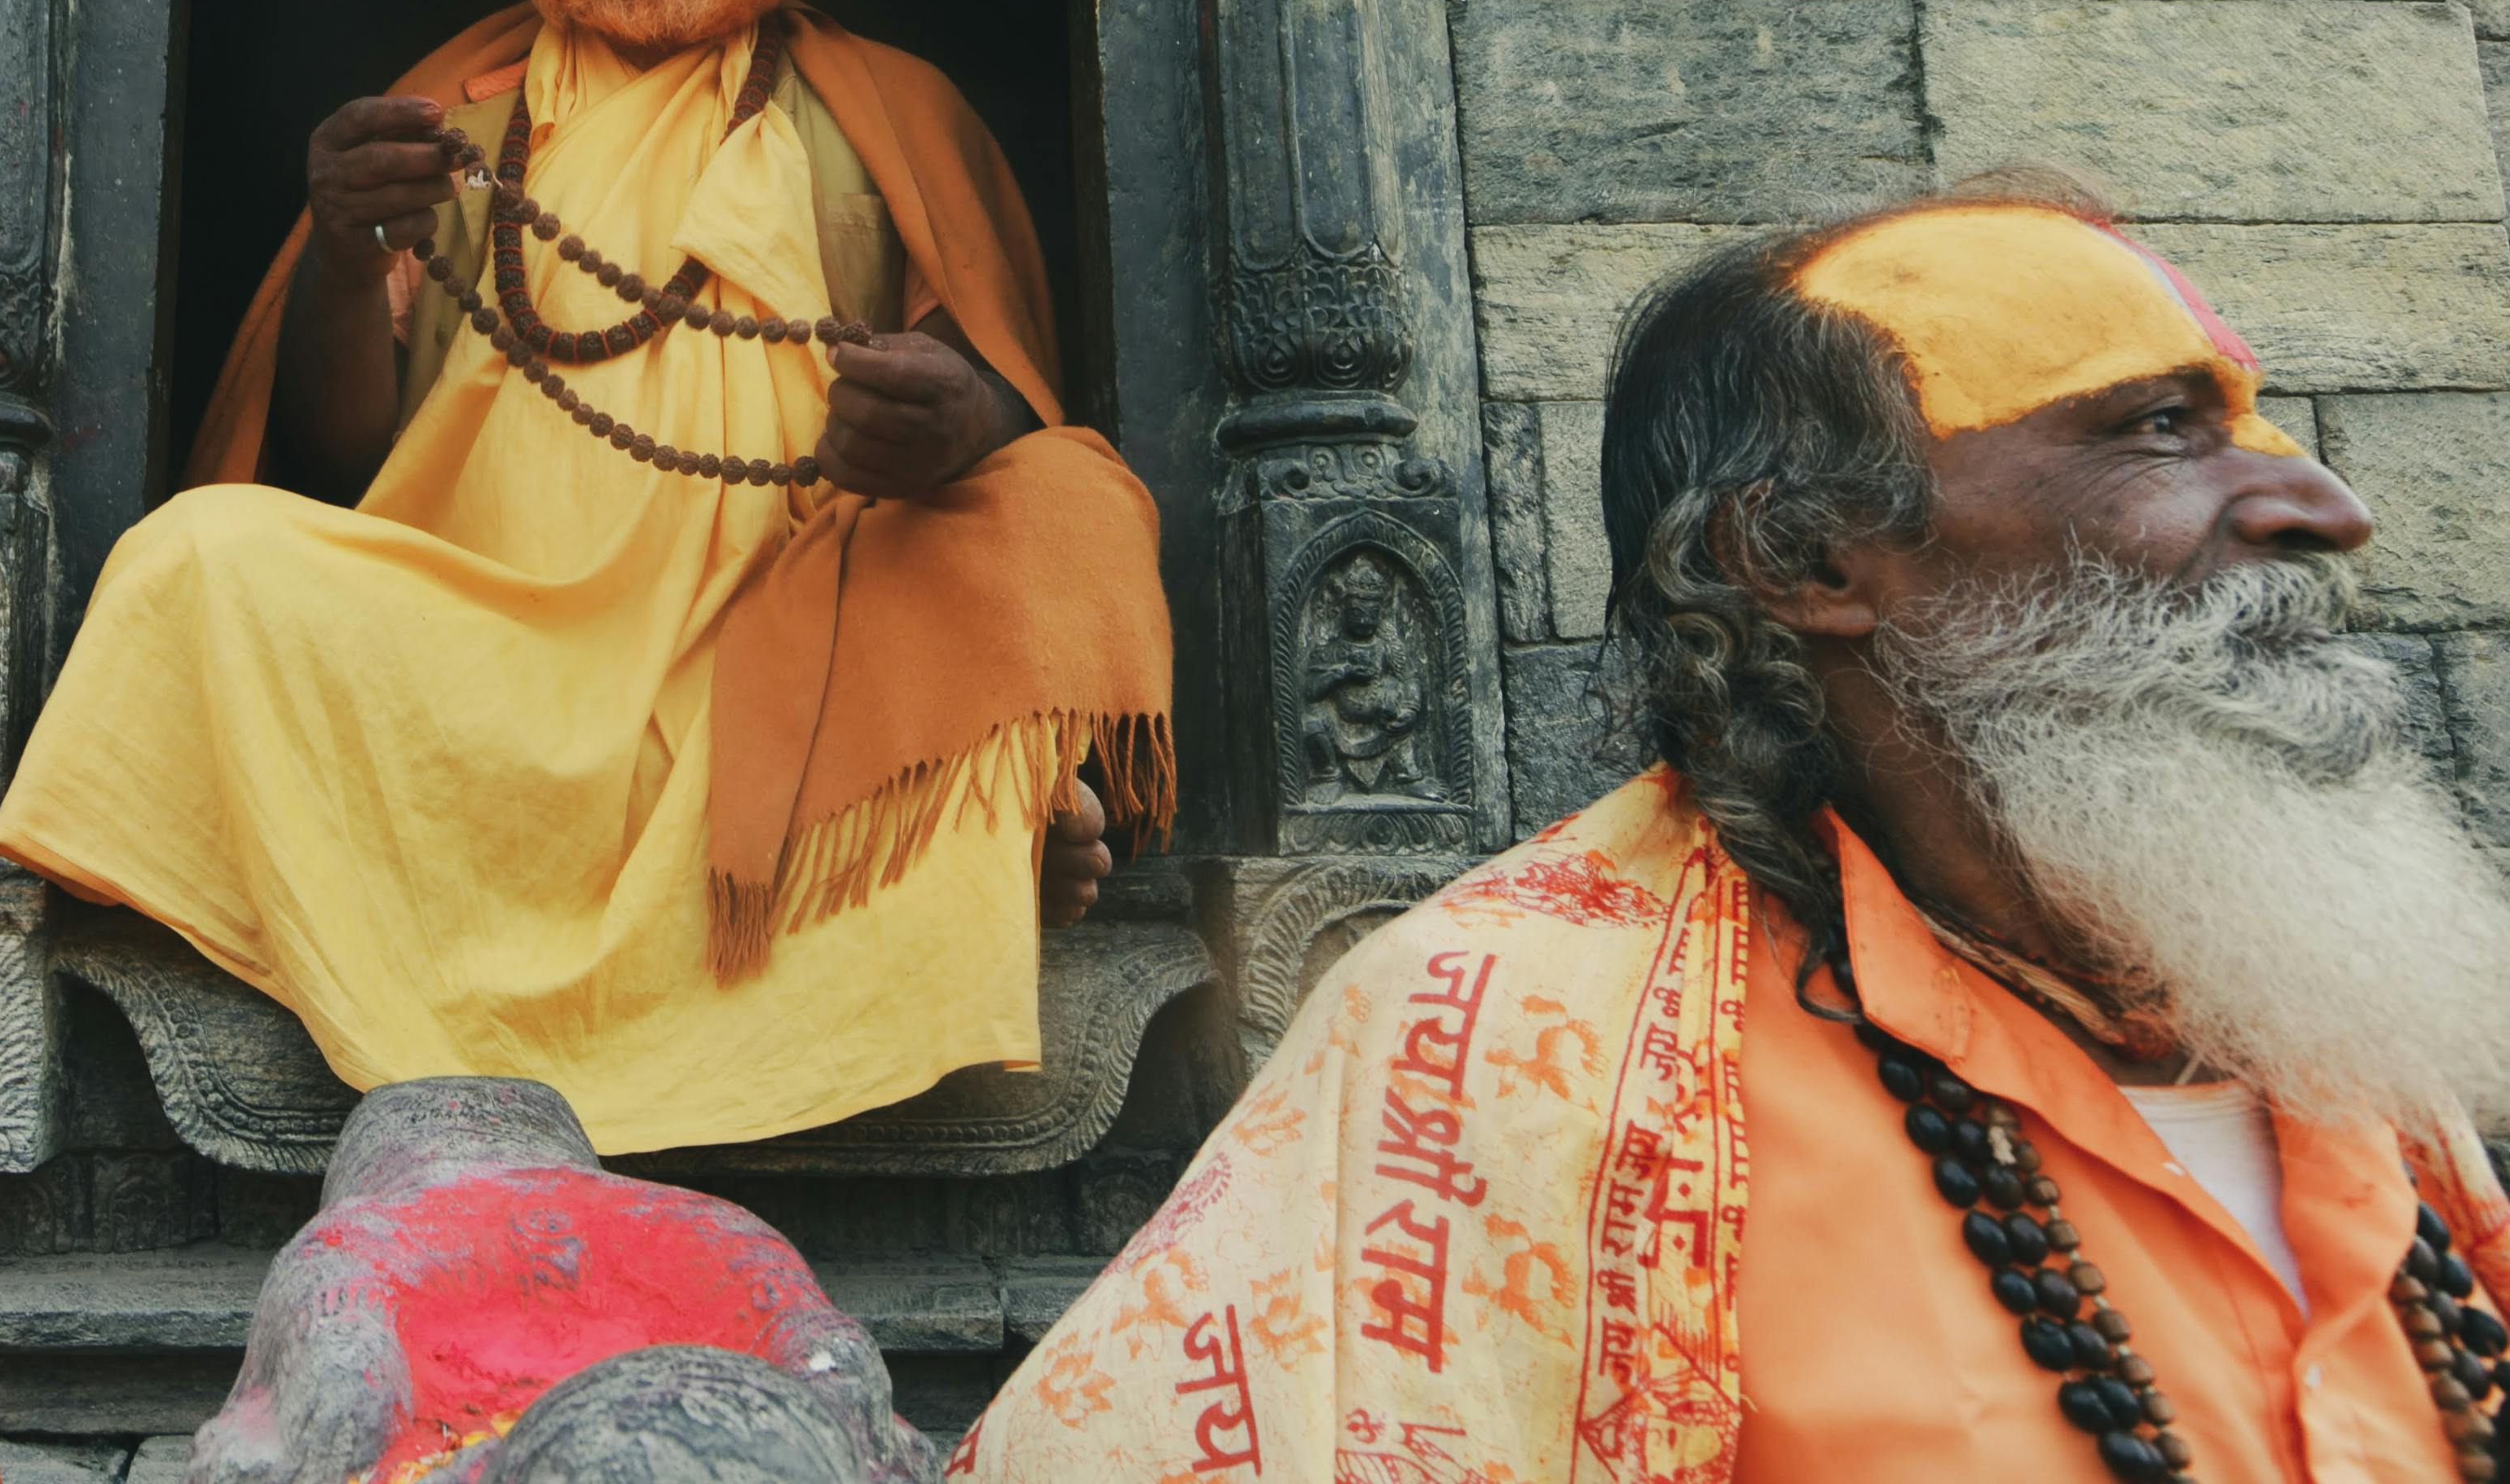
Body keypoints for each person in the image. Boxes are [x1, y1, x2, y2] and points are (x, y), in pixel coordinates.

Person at [959, 183, 2510, 1484]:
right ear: (1800, 556)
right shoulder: (1497, 1038)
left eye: (2250, 422)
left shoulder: (2326, 1023)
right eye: (2160, 430)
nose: (2322, 502)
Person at [0, 0, 1174, 1152]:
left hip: (782, 668)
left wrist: (965, 416)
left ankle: (974, 812)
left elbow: (996, 381)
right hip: (479, 665)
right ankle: (969, 844)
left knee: (1059, 500)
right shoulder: (457, 123)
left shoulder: (885, 109)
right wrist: (345, 241)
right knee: (194, 564)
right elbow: (340, 458)